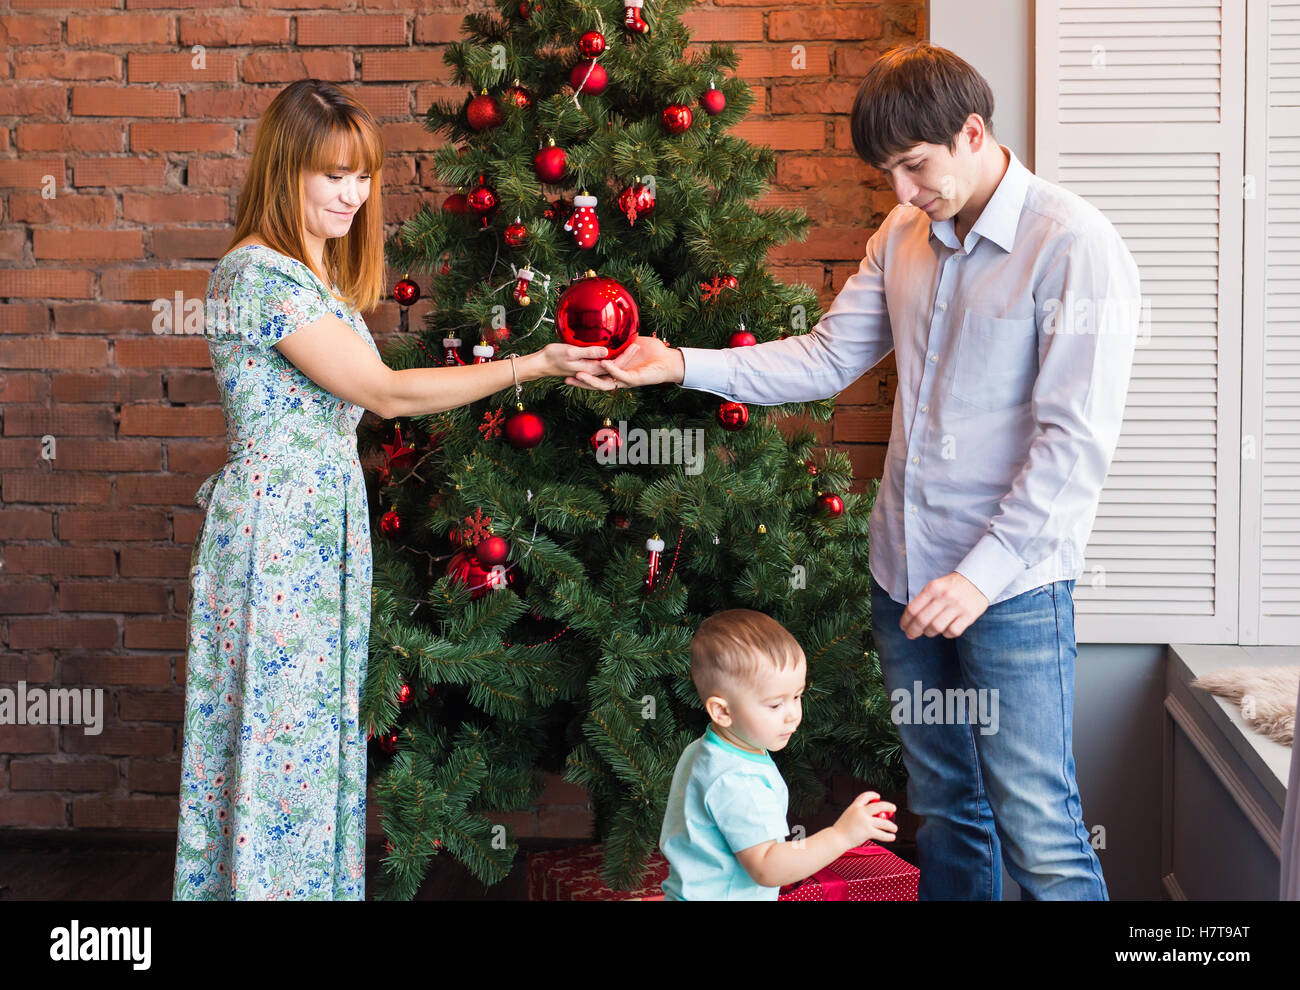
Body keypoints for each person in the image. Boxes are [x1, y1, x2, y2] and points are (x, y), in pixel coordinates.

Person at [575, 43, 1140, 900]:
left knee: (1038, 824)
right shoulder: (902, 233)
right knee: (948, 809)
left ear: (974, 132)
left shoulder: (1073, 246)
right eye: (890, 174)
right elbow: (822, 359)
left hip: (1012, 589)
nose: (904, 193)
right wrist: (678, 364)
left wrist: (979, 579)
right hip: (904, 575)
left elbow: (1073, 448)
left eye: (915, 167)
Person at [171, 79, 610, 900]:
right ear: (285, 171)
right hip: (276, 533)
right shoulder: (256, 275)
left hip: (318, 526)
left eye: (363, 175)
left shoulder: (317, 279)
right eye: (332, 174)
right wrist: (532, 363)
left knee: (309, 743)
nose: (352, 193)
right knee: (275, 744)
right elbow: (385, 393)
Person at [659, 609, 898, 900]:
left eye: (796, 696)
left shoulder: (707, 750)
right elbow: (767, 866)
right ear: (722, 711)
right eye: (775, 705)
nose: (792, 715)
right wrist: (841, 836)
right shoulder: (737, 779)